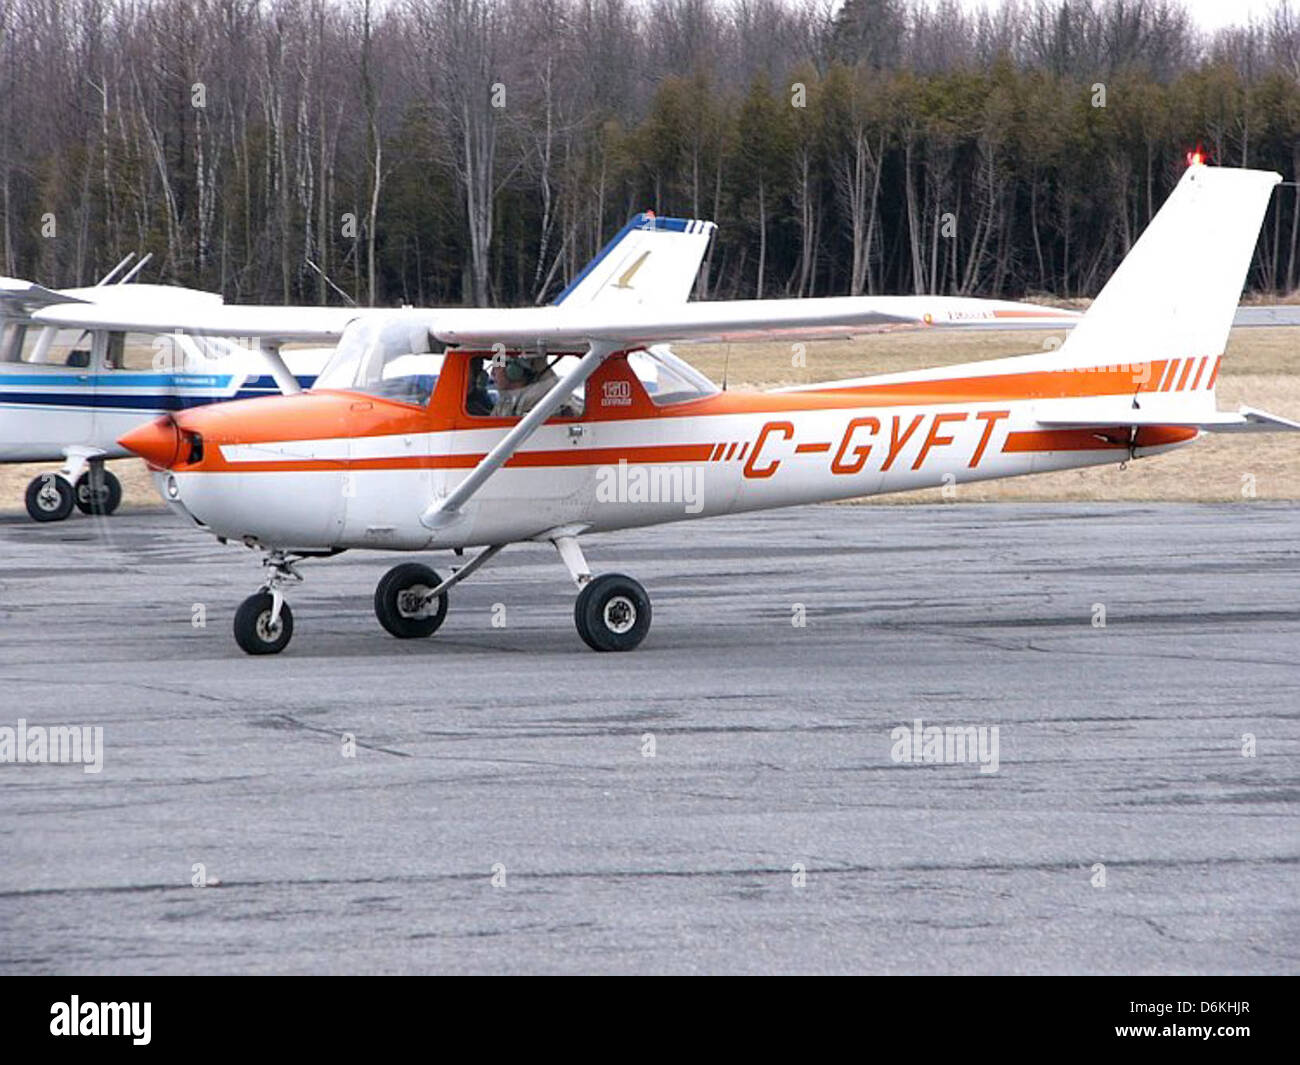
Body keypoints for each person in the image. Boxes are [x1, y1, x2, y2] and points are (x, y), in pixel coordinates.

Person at [488, 352, 583, 417]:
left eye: (496, 367)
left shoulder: (545, 398)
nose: (492, 373)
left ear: (513, 370)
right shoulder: (506, 400)